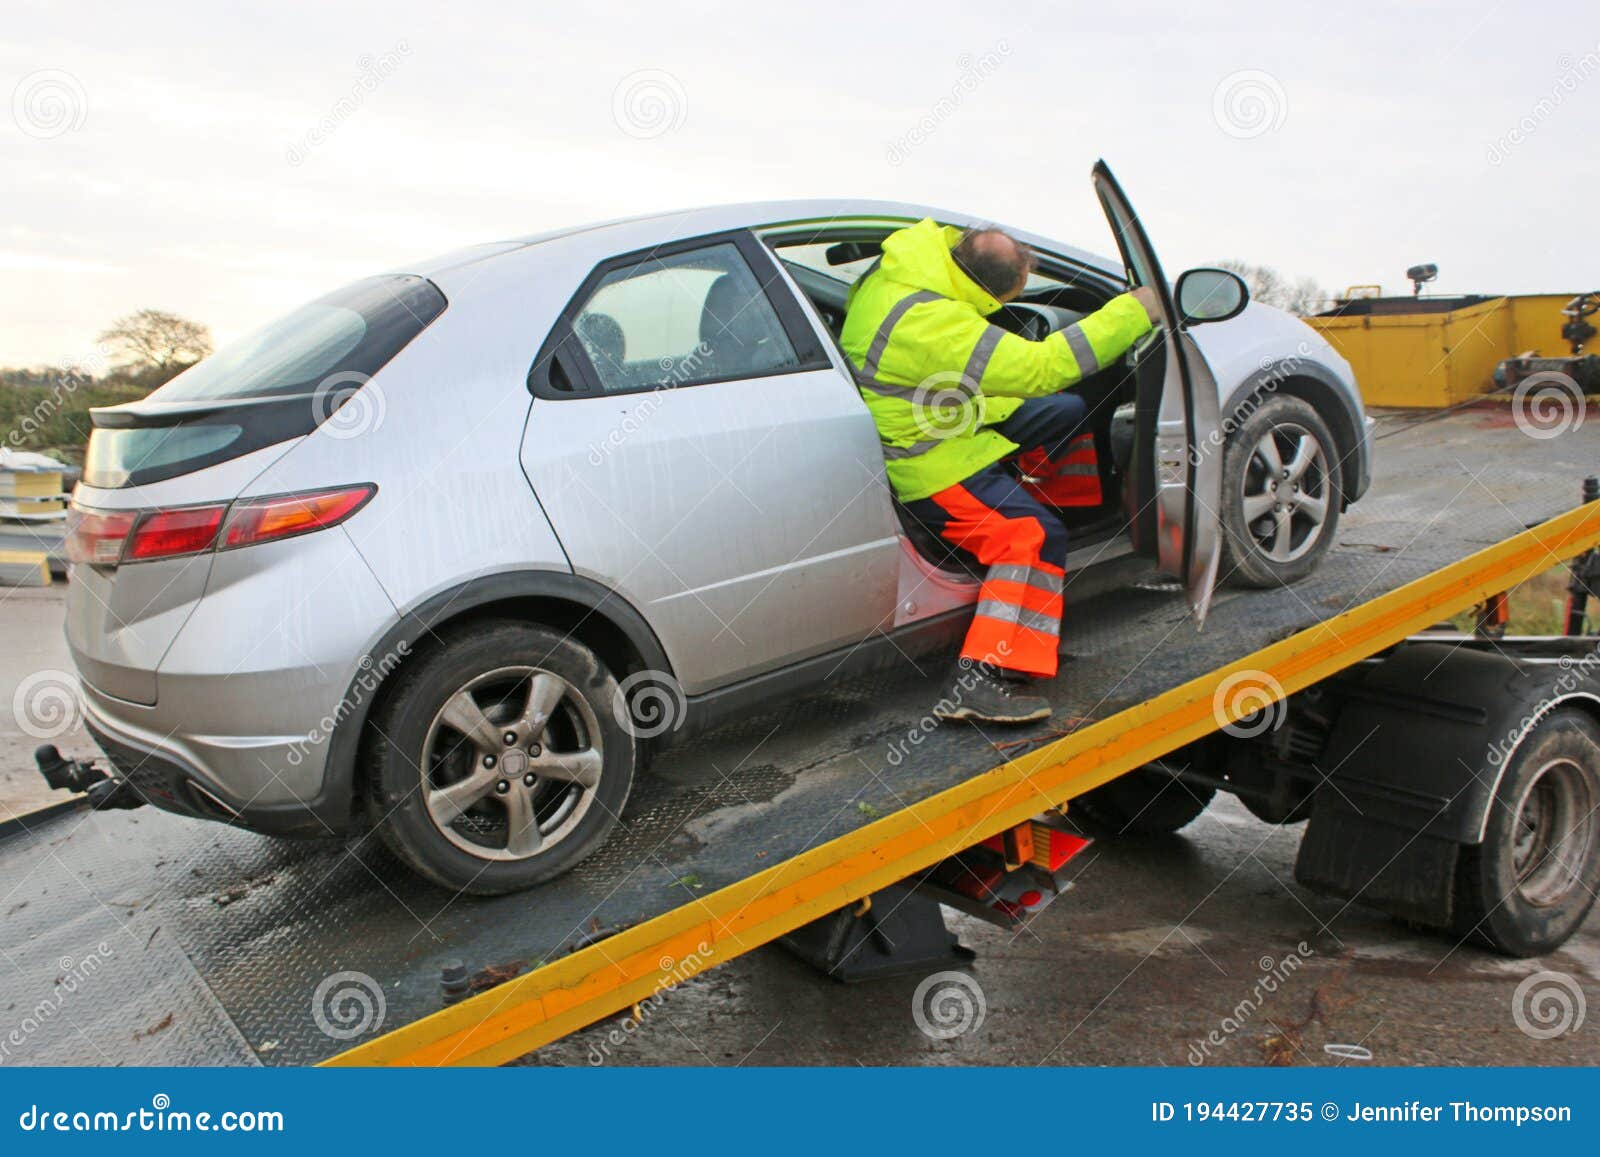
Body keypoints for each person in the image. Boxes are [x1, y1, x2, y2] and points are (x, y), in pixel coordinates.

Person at [841, 219, 1158, 723]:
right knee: (1029, 535)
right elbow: (1041, 367)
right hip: (933, 462)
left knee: (1065, 408)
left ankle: (1062, 510)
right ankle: (980, 680)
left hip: (944, 410)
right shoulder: (931, 320)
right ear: (984, 288)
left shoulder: (906, 269)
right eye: (1008, 296)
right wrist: (1135, 310)